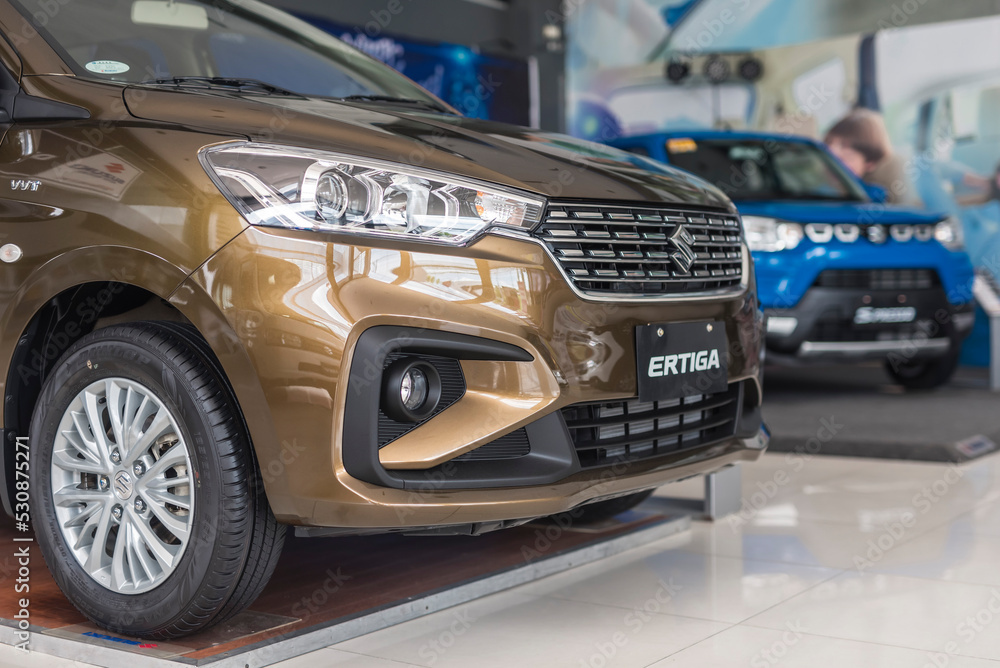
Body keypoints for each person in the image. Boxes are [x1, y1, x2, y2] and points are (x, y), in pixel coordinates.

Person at [824, 109, 921, 206]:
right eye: (829, 158)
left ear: (870, 163)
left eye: (844, 159)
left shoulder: (878, 196)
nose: (834, 165)